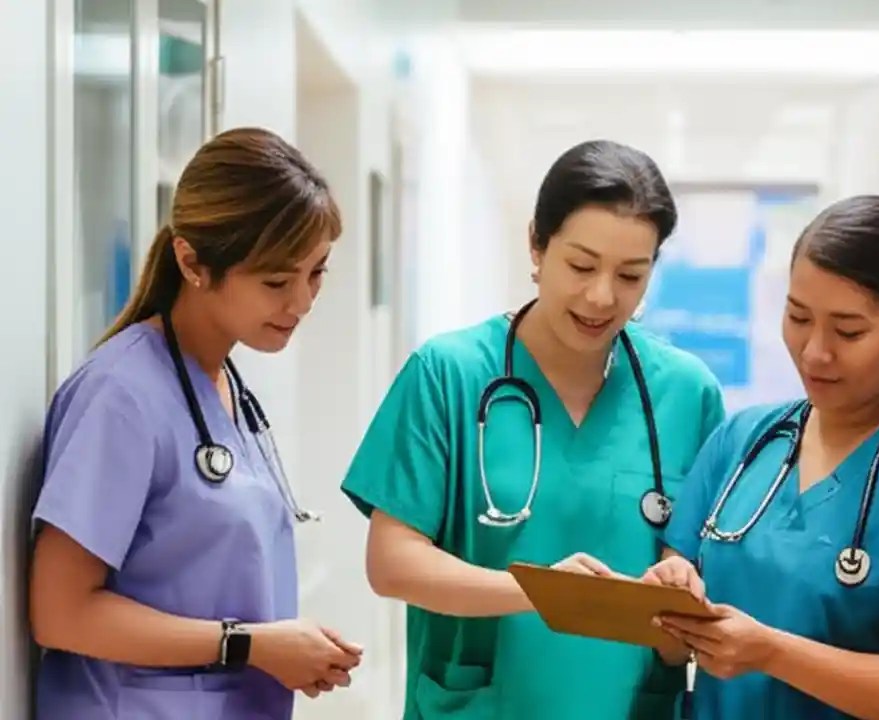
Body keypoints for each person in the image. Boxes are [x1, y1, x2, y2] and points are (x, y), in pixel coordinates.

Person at [340, 139, 726, 719]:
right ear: (536, 245)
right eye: (580, 265)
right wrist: (542, 592)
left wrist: (683, 580)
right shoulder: (449, 374)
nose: (602, 296)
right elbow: (392, 563)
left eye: (630, 275)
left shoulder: (686, 392)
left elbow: (697, 567)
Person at [28, 127, 364, 720]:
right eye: (277, 281)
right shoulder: (121, 395)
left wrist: (286, 648)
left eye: (317, 273)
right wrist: (252, 645)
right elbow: (60, 613)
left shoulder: (224, 384)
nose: (303, 301)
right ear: (193, 262)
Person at [642, 195, 879, 719]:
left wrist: (772, 652)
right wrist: (670, 598)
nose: (814, 351)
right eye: (797, 316)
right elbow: (674, 614)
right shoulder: (742, 442)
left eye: (849, 331)